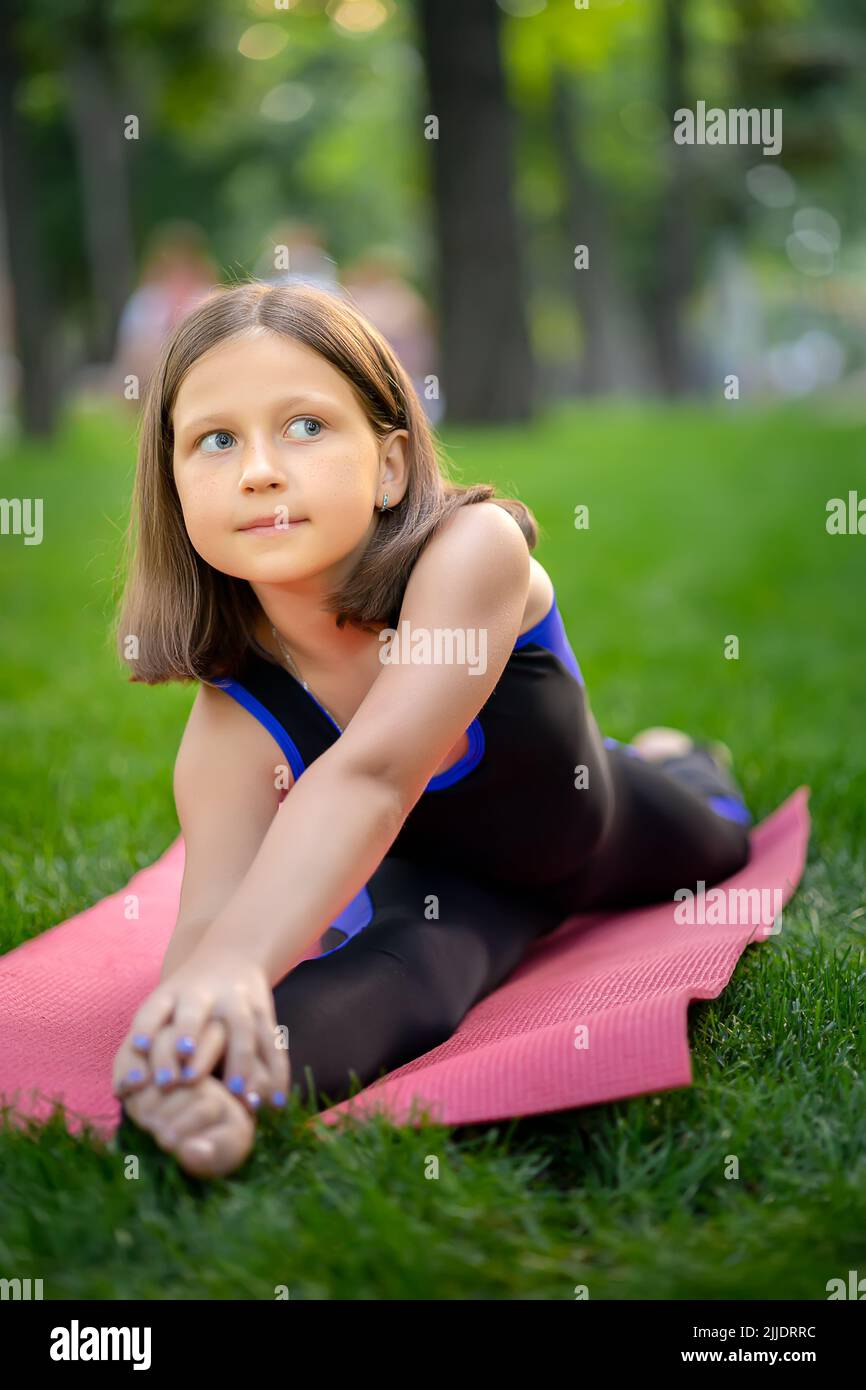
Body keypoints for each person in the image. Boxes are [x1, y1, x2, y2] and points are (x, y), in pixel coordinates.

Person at [111, 278, 752, 1179]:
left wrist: (234, 964)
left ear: (392, 466)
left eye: (304, 426)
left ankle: (673, 755)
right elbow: (211, 918)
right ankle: (214, 1091)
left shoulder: (473, 551)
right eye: (216, 440)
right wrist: (192, 1011)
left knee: (723, 843)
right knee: (408, 979)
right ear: (174, 489)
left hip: (599, 828)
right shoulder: (232, 719)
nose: (258, 468)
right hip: (453, 899)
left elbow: (373, 776)